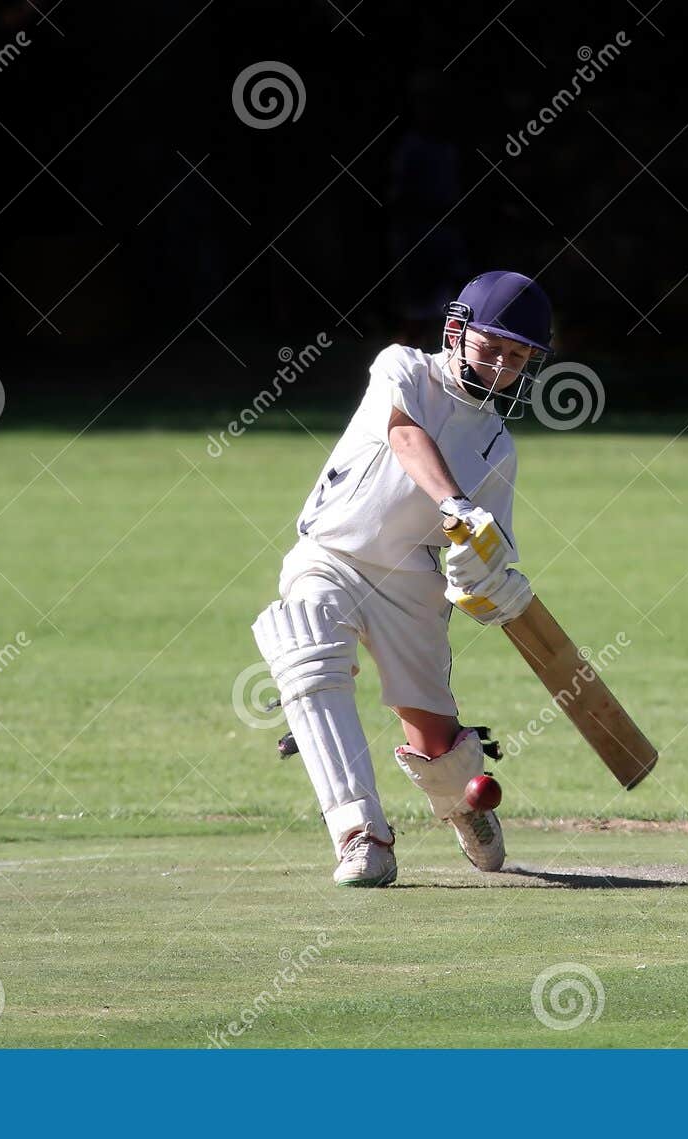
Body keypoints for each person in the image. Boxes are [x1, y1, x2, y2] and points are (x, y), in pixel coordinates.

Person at [251, 271, 552, 886]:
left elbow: (487, 551)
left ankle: (461, 805)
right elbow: (405, 435)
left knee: (434, 737)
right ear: (458, 330)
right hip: (330, 552)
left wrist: (485, 572)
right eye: (491, 347)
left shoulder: (498, 443)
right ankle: (363, 839)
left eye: (516, 357)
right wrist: (455, 504)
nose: (500, 365)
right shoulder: (405, 367)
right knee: (308, 657)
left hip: (411, 582)